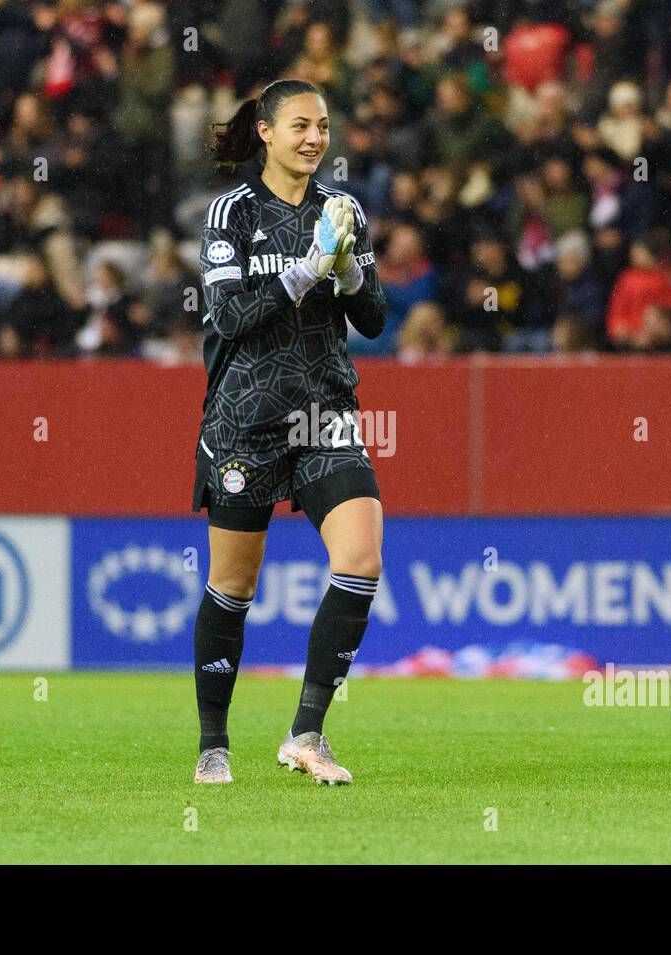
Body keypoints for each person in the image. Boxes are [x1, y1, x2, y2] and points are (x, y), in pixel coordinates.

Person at [191, 79, 387, 786]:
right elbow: (230, 316)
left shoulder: (344, 211)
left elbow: (374, 319)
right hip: (246, 416)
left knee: (361, 559)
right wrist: (306, 271)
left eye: (324, 126)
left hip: (324, 409)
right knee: (233, 584)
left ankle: (307, 731)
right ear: (267, 132)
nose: (314, 138)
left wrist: (348, 273)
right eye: (301, 125)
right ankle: (214, 741)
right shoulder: (232, 213)